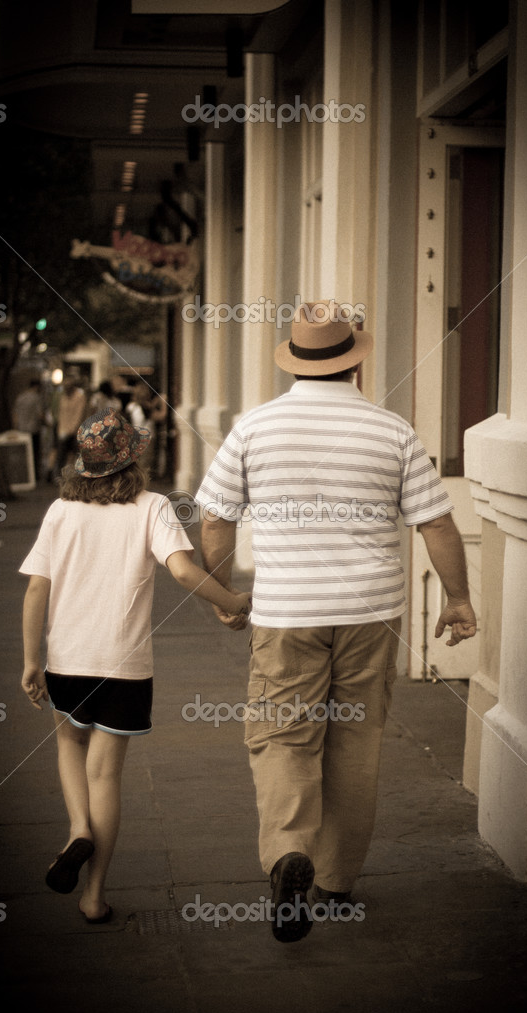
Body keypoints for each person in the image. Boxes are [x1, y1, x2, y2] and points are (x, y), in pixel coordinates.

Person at [195, 300, 477, 943]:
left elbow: (214, 517)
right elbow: (435, 521)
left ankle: (289, 851)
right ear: (354, 364)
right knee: (355, 741)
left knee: (282, 735)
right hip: (370, 611)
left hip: (287, 610)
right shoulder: (392, 430)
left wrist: (220, 591)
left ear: (294, 363)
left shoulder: (254, 428)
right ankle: (336, 880)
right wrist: (457, 600)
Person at [20, 407, 251, 923]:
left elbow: (38, 586)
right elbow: (184, 571)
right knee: (106, 776)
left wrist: (31, 660)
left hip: (66, 660)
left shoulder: (60, 511)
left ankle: (77, 829)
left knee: (67, 744)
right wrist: (232, 602)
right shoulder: (153, 507)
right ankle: (93, 895)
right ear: (133, 461)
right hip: (123, 667)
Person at [54, 375, 87, 476]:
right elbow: (61, 413)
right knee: (61, 454)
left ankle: (77, 474)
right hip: (63, 430)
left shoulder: (80, 396)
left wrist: (72, 430)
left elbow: (79, 414)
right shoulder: (63, 397)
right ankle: (60, 475)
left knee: (76, 454)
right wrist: (61, 429)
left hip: (75, 431)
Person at [12, 378, 44, 479]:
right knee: (34, 453)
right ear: (37, 386)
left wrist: (16, 427)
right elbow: (40, 414)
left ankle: (24, 474)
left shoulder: (20, 397)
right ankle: (34, 475)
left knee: (23, 454)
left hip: (21, 429)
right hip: (33, 429)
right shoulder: (36, 397)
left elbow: (15, 414)